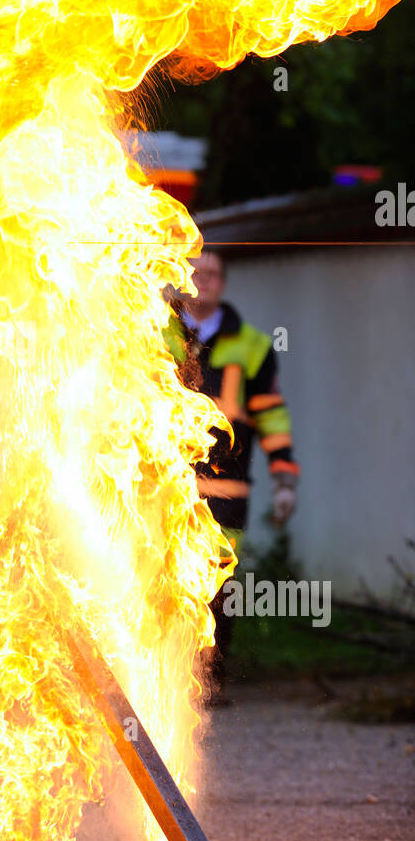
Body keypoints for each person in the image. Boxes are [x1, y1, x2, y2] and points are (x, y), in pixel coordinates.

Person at [163, 250, 299, 702]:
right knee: (159, 583)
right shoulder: (157, 334)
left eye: (213, 274)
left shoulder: (252, 347)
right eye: (197, 272)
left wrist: (284, 482)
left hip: (225, 492)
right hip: (163, 485)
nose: (204, 280)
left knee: (220, 587)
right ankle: (163, 681)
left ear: (223, 283)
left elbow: (273, 420)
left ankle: (209, 683)